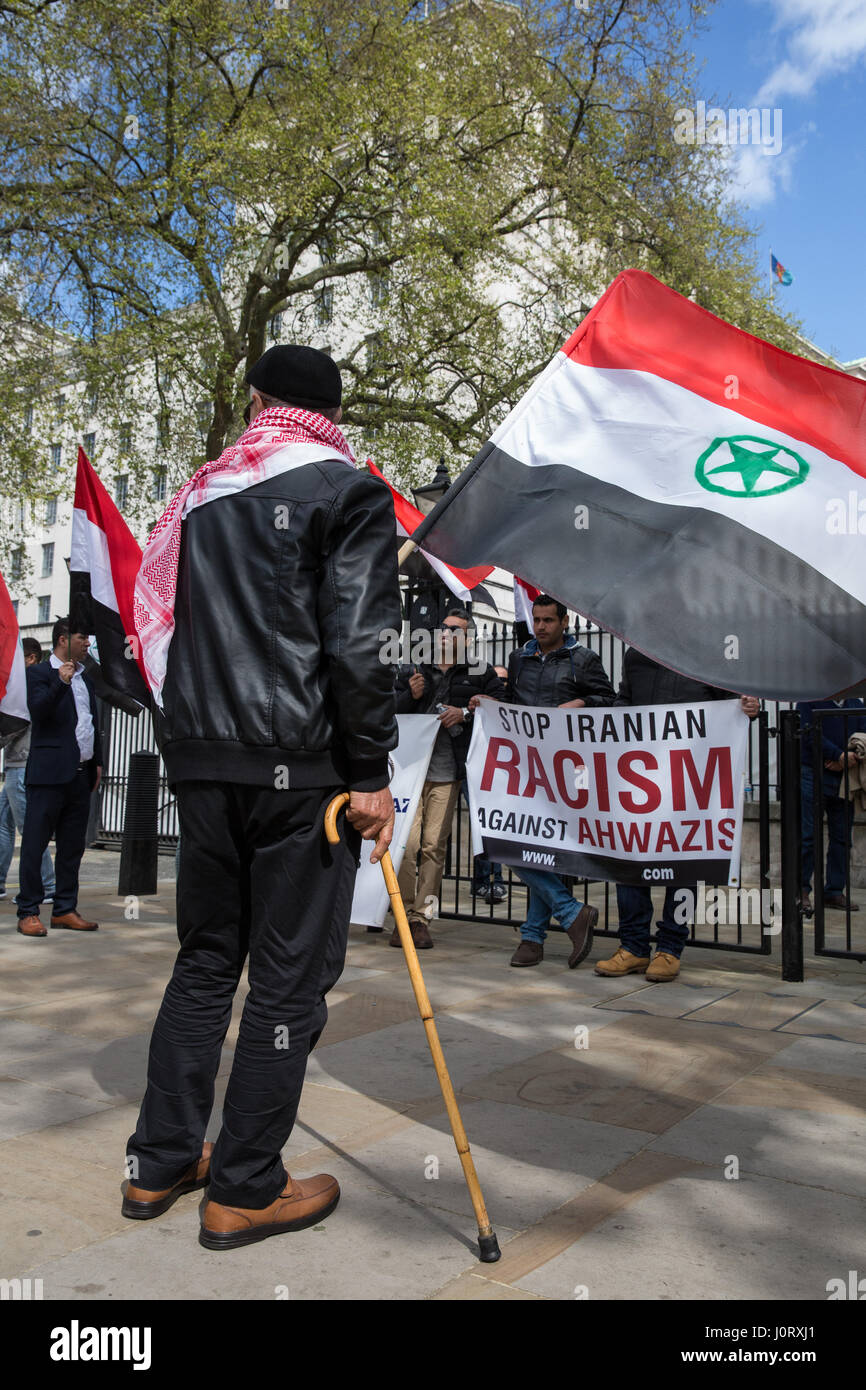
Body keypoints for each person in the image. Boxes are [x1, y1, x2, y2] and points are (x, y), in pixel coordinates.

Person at [124, 343, 401, 1251]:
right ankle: (244, 1186)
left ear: (255, 400)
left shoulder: (201, 499)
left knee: (205, 961)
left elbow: (160, 622)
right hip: (302, 769)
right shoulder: (349, 491)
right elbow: (360, 645)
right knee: (288, 977)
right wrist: (370, 771)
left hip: (203, 761)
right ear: (332, 411)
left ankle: (160, 1159)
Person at [595, 647, 759, 981]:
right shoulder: (635, 653)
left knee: (683, 863)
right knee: (628, 857)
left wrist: (750, 708)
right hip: (641, 776)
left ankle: (670, 948)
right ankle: (634, 947)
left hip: (690, 775)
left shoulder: (709, 653)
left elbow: (733, 705)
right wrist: (617, 716)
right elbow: (625, 699)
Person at [485, 594, 614, 968]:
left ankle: (532, 937)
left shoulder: (584, 660)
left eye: (548, 621)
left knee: (550, 848)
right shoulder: (519, 658)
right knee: (508, 844)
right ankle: (571, 912)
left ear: (564, 622)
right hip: (526, 767)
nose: (540, 627)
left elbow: (611, 702)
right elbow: (508, 702)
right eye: (536, 620)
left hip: (569, 769)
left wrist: (584, 704)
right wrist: (486, 702)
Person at [394, 609, 505, 947]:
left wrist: (468, 712)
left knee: (433, 847)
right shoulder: (412, 668)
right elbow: (388, 711)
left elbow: (503, 706)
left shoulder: (481, 672)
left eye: (459, 630)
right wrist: (409, 697)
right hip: (410, 772)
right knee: (406, 846)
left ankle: (420, 919)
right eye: (445, 628)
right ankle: (402, 914)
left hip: (448, 772)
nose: (450, 634)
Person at [15, 620, 103, 937]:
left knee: (72, 847)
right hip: (48, 774)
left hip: (80, 775)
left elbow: (91, 722)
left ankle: (65, 908)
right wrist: (60, 683)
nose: (87, 644)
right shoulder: (38, 674)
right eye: (82, 638)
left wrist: (98, 762)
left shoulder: (86, 679)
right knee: (36, 844)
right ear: (63, 640)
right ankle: (28, 910)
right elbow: (37, 713)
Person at [797, 697, 866, 915]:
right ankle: (801, 891)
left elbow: (864, 733)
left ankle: (834, 891)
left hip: (845, 776)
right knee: (808, 836)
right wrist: (838, 755)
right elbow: (808, 734)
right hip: (813, 773)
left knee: (842, 837)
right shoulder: (808, 700)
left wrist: (850, 757)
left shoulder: (856, 704)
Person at [0, 638, 56, 904]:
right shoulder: (24, 684)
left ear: (31, 658)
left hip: (22, 766)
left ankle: (46, 885)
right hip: (16, 765)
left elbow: (17, 724)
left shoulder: (28, 684)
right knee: (3, 825)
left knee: (30, 829)